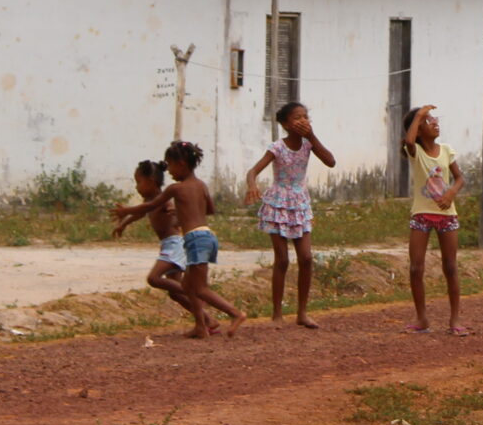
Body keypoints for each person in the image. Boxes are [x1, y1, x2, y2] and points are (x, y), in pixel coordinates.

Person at [113, 141, 246, 339]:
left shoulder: (175, 189)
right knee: (186, 288)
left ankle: (235, 313)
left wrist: (125, 211)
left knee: (196, 287)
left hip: (193, 239)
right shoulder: (201, 185)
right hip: (205, 236)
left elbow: (148, 207)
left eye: (171, 165)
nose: (170, 172)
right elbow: (210, 209)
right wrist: (184, 211)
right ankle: (202, 325)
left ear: (182, 164)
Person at [244, 101, 339, 328]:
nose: (303, 121)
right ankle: (277, 313)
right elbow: (253, 171)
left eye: (306, 117)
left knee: (306, 258)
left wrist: (313, 136)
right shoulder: (277, 147)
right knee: (283, 260)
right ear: (286, 124)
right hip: (278, 203)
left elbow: (331, 161)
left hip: (300, 203)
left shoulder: (308, 144)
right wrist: (251, 185)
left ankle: (302, 313)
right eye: (297, 117)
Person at [401, 104, 467, 336]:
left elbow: (459, 178)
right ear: (418, 129)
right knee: (416, 267)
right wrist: (418, 115)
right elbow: (409, 142)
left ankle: (455, 319)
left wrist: (451, 193)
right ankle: (422, 318)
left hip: (446, 216)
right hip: (421, 214)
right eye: (428, 121)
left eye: (434, 119)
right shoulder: (415, 152)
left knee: (450, 267)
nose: (435, 123)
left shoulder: (446, 150)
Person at [115, 157, 198, 329]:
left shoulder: (162, 200)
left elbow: (172, 212)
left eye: (139, 182)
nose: (137, 187)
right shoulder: (150, 201)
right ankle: (206, 319)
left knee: (153, 278)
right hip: (169, 245)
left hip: (175, 244)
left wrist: (179, 217)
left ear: (151, 182)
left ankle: (197, 292)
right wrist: (124, 224)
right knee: (174, 294)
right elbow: (140, 213)